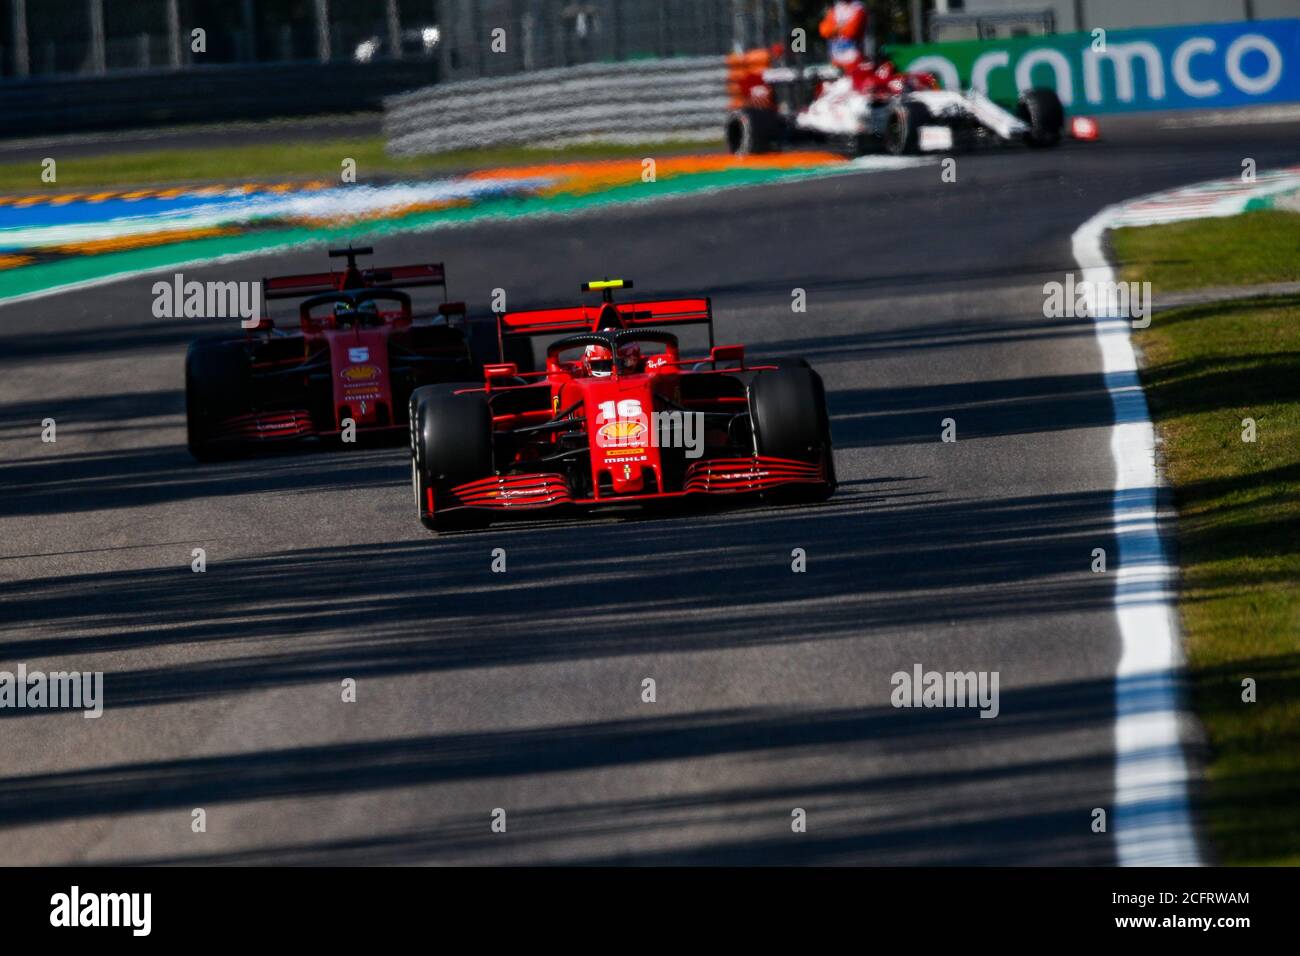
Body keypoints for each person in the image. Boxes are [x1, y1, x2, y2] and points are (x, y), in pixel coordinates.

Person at [819, 1, 869, 71]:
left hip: (854, 60)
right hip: (836, 60)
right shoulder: (836, 9)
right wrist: (841, 28)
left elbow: (851, 31)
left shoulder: (858, 8)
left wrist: (835, 29)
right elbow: (824, 31)